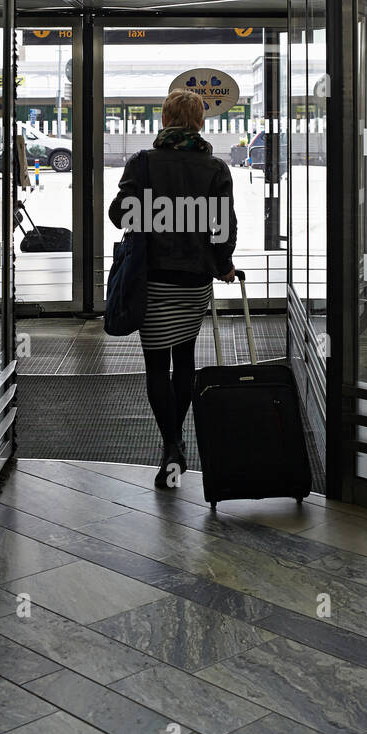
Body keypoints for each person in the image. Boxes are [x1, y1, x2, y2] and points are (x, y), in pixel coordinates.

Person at [108, 89, 238, 489]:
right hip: (194, 280)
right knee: (184, 359)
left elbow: (119, 215)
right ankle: (175, 439)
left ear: (165, 120)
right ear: (200, 122)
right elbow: (224, 229)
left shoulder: (143, 163)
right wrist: (224, 265)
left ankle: (170, 444)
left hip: (153, 278)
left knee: (155, 365)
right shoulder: (215, 167)